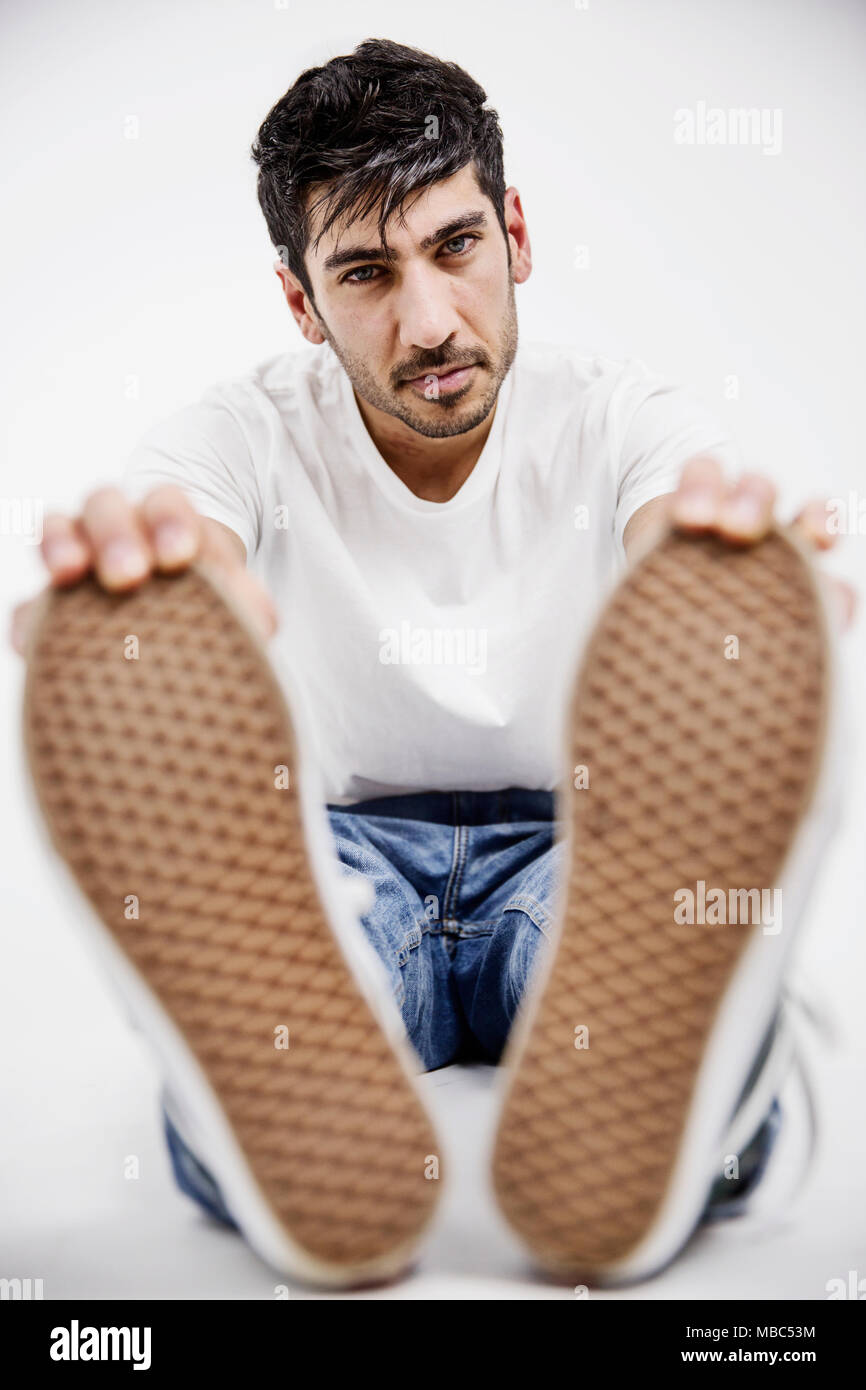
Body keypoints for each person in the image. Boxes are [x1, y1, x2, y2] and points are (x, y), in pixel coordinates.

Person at [14, 37, 854, 1288]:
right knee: (308, 1004)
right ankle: (261, 1090)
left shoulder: (619, 417)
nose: (426, 320)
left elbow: (672, 521)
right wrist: (147, 593)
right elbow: (186, 528)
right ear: (301, 300)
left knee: (623, 1006)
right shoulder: (238, 435)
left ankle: (712, 1088)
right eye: (364, 271)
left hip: (580, 852)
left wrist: (732, 586)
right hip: (335, 866)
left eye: (454, 247)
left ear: (513, 232)